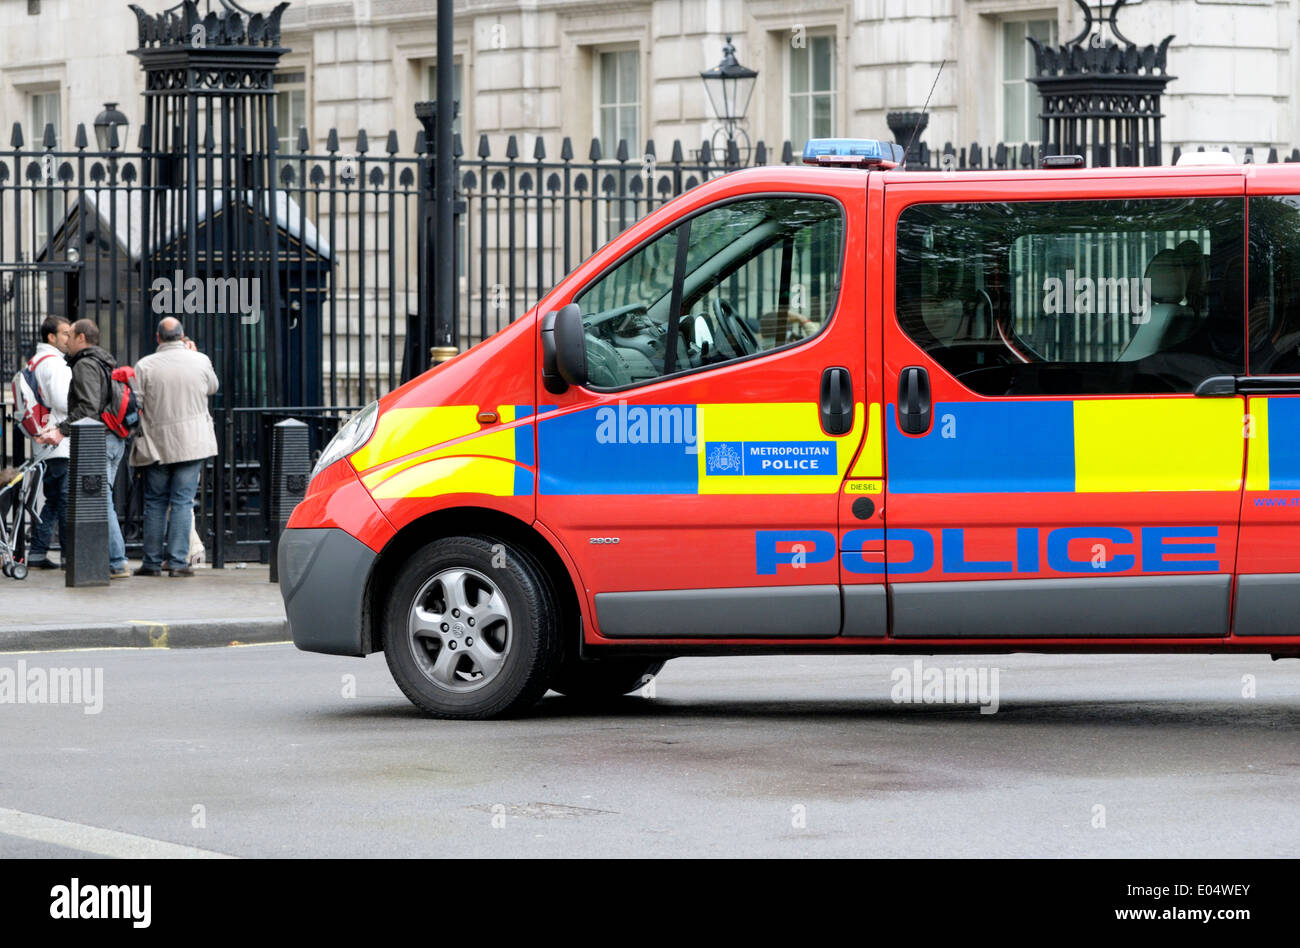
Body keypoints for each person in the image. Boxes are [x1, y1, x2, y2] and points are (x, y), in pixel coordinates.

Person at [36, 319, 129, 579]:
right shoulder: (103, 360)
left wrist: (60, 430)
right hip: (112, 439)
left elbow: (88, 409)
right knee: (102, 500)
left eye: (70, 335)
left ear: (81, 338)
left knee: (100, 502)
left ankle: (116, 561)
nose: (66, 340)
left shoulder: (86, 364)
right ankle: (113, 559)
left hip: (99, 440)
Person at [129, 317, 219, 577]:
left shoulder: (144, 365)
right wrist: (196, 354)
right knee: (182, 501)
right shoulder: (200, 360)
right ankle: (178, 562)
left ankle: (152, 562)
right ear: (182, 337)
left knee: (155, 502)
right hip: (193, 443)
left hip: (157, 444)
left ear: (158, 338)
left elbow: (137, 401)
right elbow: (213, 387)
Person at [26, 316, 73, 570]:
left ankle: (37, 552)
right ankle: (70, 557)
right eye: (65, 333)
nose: (70, 338)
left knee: (54, 500)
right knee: (66, 500)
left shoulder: (35, 362)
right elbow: (63, 401)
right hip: (59, 442)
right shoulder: (55, 364)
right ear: (51, 337)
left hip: (44, 444)